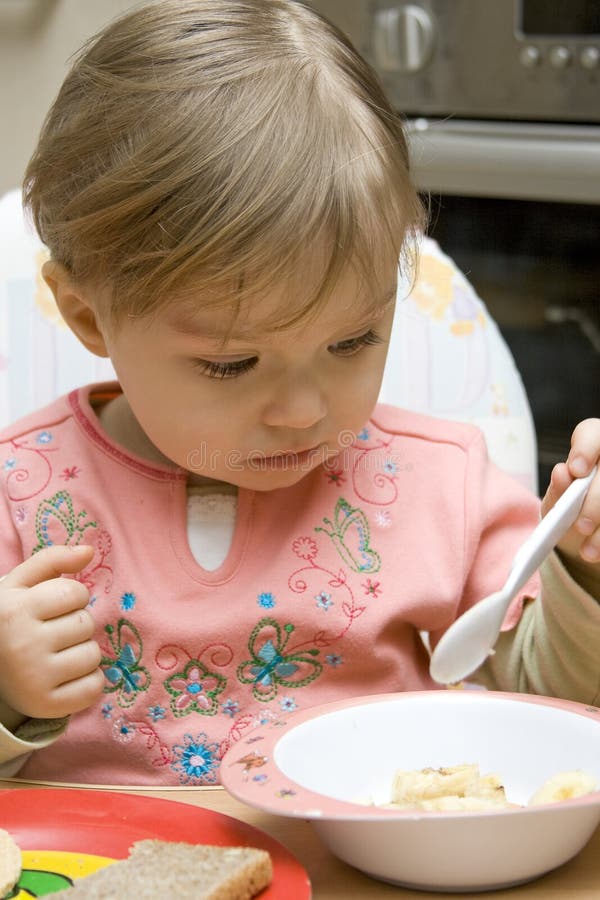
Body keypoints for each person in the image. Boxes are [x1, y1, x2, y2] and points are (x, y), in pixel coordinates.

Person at [0, 0, 598, 787]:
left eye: (352, 343)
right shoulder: (21, 499)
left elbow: (548, 709)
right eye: (231, 364)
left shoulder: (438, 487)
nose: (305, 411)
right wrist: (9, 699)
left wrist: (583, 573)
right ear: (86, 315)